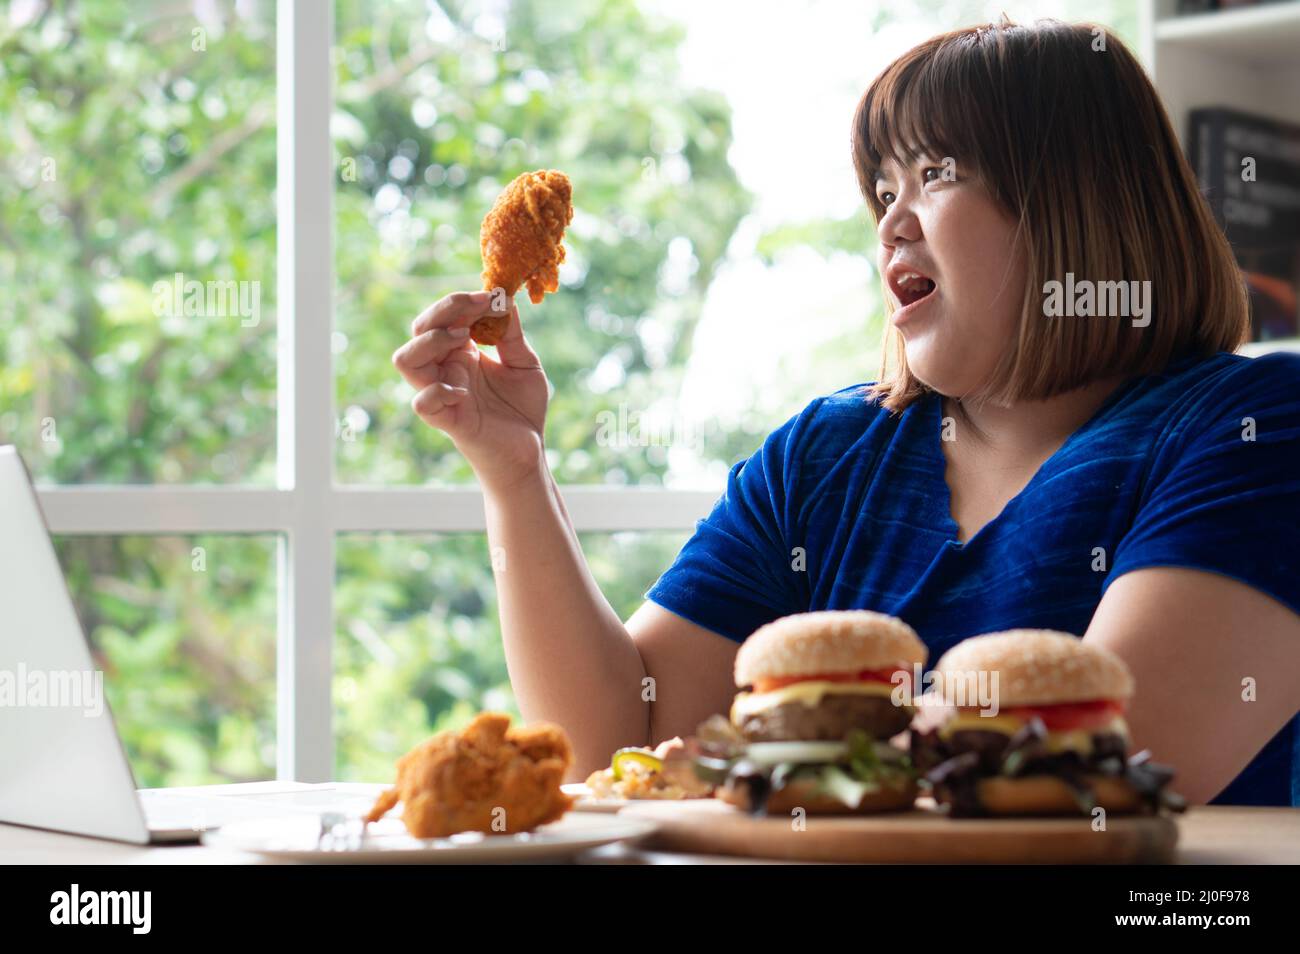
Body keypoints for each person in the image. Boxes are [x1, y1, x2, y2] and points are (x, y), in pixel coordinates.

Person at [390, 18, 1300, 806]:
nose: (892, 222)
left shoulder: (1254, 426)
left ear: (1079, 198)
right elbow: (613, 746)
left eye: (936, 173)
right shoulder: (826, 456)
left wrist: (743, 767)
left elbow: (1106, 750)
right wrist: (515, 471)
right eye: (882, 190)